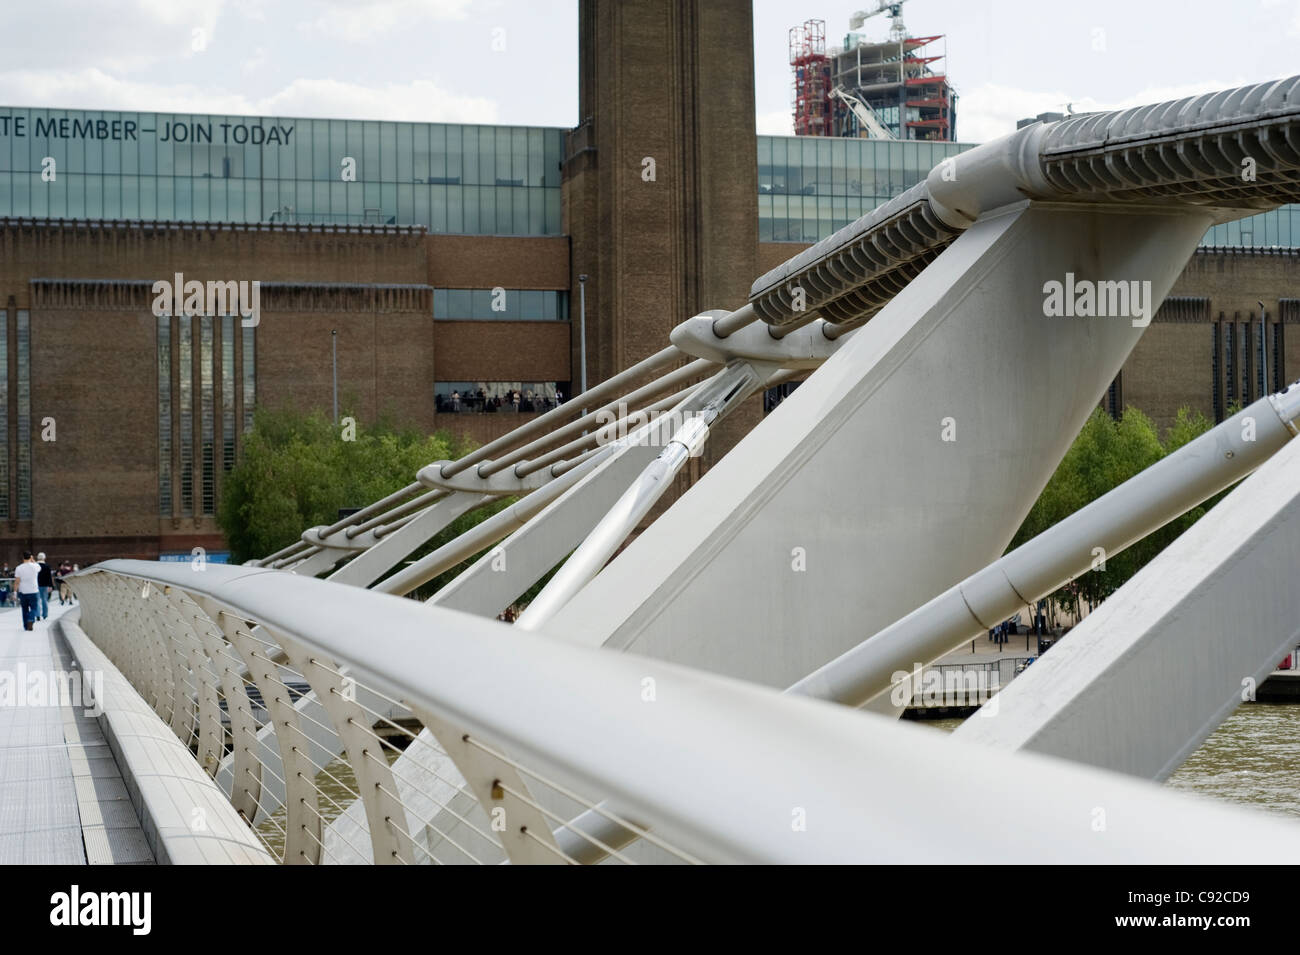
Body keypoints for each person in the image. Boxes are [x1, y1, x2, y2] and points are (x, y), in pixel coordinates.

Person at [15, 552, 40, 631]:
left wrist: (15, 592)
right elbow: (39, 567)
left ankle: (26, 626)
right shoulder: (35, 566)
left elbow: (17, 581)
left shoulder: (19, 568)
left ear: (23, 557)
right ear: (30, 557)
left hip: (23, 591)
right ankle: (31, 619)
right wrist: (33, 560)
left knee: (24, 609)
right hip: (33, 591)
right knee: (34, 608)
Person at [36, 552, 53, 620]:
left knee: (37, 600)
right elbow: (49, 577)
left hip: (36, 585)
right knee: (44, 600)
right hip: (45, 585)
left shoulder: (35, 566)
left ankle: (37, 614)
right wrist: (50, 586)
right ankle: (45, 614)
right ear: (44, 558)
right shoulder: (47, 566)